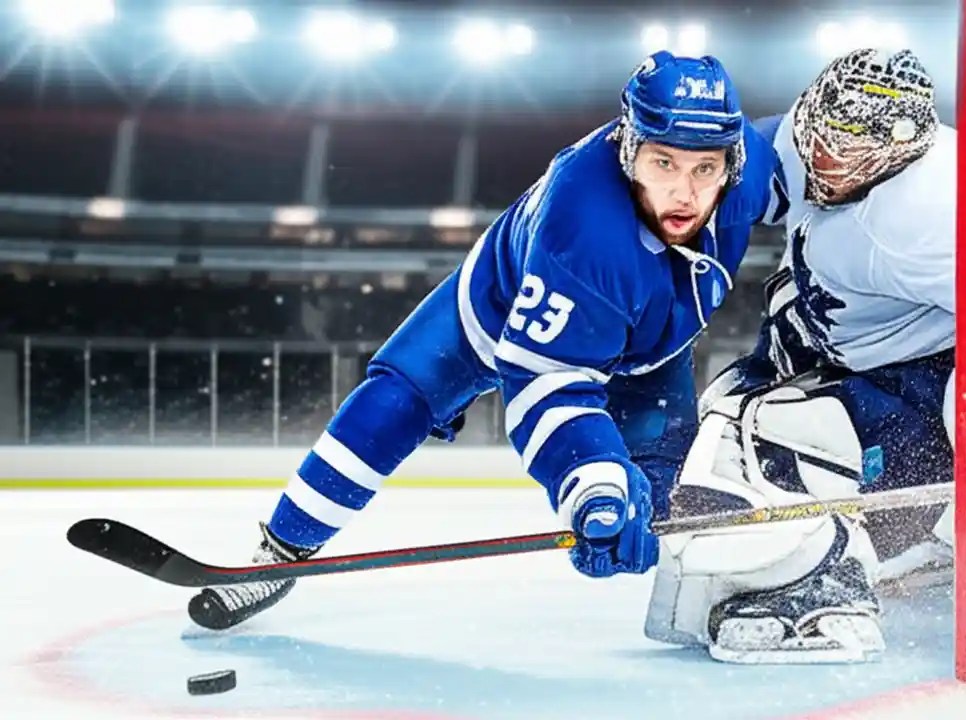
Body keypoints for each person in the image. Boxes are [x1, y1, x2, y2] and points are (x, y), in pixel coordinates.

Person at [188, 50, 786, 631]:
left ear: (730, 162)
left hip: (650, 350)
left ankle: (718, 591)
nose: (685, 194)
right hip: (489, 318)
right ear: (627, 148)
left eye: (703, 169)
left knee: (660, 510)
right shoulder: (580, 231)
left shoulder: (745, 169)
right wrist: (590, 479)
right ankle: (282, 550)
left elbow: (815, 154)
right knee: (389, 408)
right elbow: (550, 383)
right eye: (663, 164)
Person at [642, 48, 966, 664]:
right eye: (821, 134)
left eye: (851, 151)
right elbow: (728, 174)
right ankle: (789, 562)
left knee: (785, 429)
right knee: (722, 415)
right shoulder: (808, 139)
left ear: (901, 153)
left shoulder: (939, 211)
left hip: (918, 382)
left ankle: (824, 589)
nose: (824, 159)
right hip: (831, 353)